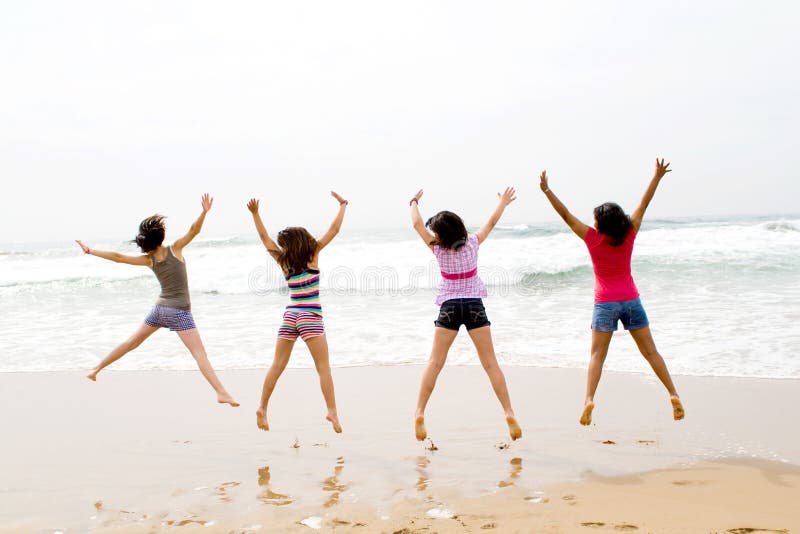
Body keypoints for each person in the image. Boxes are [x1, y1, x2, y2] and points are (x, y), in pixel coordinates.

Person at [539, 159, 685, 425]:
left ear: (600, 222)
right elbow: (645, 203)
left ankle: (589, 400)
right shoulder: (630, 232)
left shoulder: (592, 238)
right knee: (651, 352)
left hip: (604, 304)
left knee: (597, 356)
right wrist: (657, 177)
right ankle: (673, 394)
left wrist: (547, 191)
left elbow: (565, 215)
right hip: (631, 301)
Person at [75, 194, 239, 407]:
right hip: (179, 312)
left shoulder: (148, 260)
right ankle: (221, 392)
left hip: (159, 309)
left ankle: (96, 369)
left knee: (131, 343)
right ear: (161, 236)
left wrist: (90, 251)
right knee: (200, 354)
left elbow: (118, 257)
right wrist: (204, 212)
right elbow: (194, 230)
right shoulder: (176, 249)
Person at [410, 188, 523, 442]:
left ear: (440, 235)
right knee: (491, 363)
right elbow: (492, 221)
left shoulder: (437, 249)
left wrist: (414, 201)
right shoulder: (473, 242)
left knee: (435, 363)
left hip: (449, 307)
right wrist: (503, 203)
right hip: (473, 305)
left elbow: (416, 223)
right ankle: (508, 411)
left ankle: (419, 412)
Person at [247, 192, 347, 433]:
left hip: (290, 315)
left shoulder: (283, 262)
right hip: (310, 316)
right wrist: (343, 206)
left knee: (277, 364)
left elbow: (263, 237)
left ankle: (262, 406)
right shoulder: (313, 254)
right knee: (323, 368)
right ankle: (332, 411)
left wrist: (255, 214)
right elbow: (333, 230)